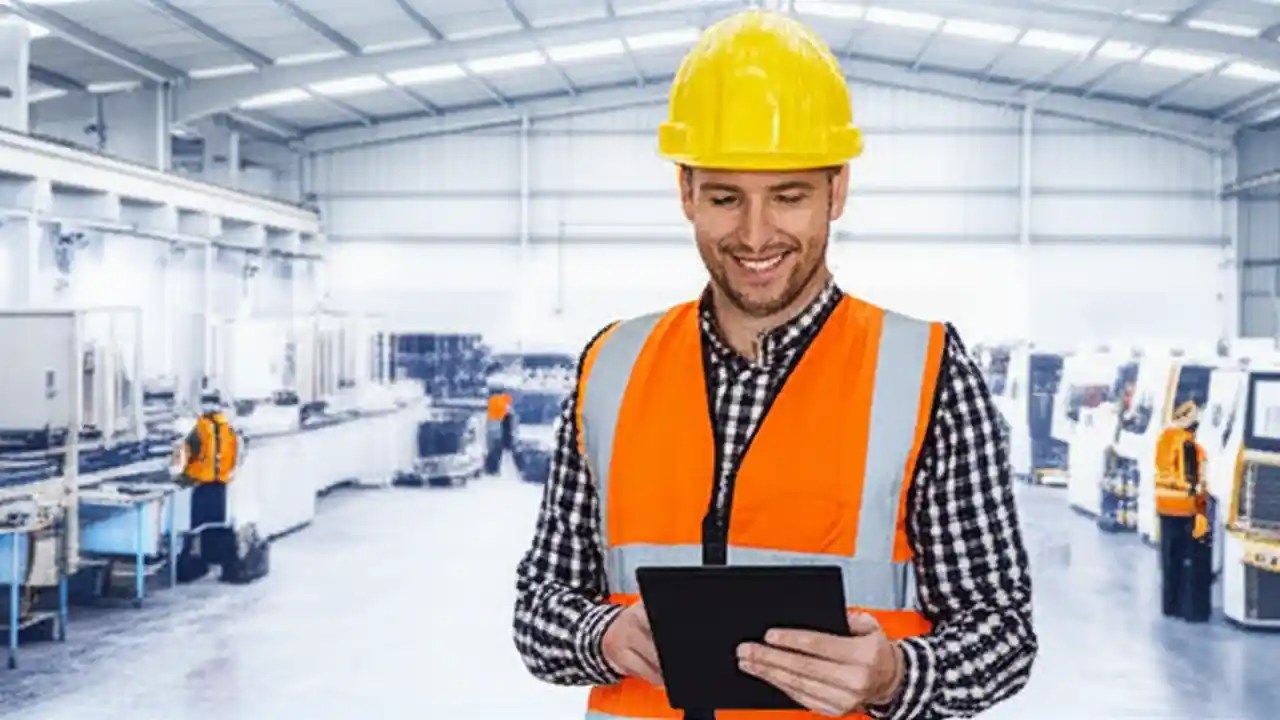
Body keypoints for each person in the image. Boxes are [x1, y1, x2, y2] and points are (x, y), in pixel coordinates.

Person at [512, 10, 1036, 720]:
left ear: (837, 191)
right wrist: (602, 635)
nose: (755, 235)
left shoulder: (928, 375)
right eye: (727, 198)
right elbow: (540, 609)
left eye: (788, 196)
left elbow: (1002, 634)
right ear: (686, 192)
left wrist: (893, 675)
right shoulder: (612, 365)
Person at [173, 391, 242, 582]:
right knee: (216, 522)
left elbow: (185, 453)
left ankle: (196, 562)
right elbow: (236, 455)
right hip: (220, 483)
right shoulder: (228, 428)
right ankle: (217, 560)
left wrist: (181, 477)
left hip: (201, 483)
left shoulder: (200, 428)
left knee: (197, 526)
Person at [1154, 400, 1211, 622]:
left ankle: (1169, 605)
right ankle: (1188, 608)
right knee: (1189, 559)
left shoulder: (1164, 438)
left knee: (1169, 559)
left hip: (1164, 506)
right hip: (1185, 509)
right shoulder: (1189, 445)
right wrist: (1202, 504)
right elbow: (1193, 481)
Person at [485, 380, 514, 475]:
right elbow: (509, 424)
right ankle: (493, 470)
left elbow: (509, 424)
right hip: (495, 436)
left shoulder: (494, 403)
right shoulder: (505, 404)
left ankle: (492, 470)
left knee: (493, 455)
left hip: (492, 436)